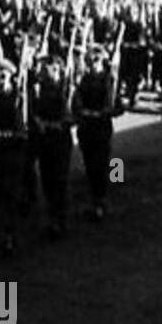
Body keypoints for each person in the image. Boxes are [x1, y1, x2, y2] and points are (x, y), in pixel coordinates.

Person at [0, 56, 27, 255]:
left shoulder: (19, 97)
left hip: (12, 151)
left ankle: (10, 233)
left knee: (11, 191)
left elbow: (23, 128)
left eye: (4, 73)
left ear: (10, 75)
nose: (0, 76)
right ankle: (2, 228)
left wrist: (4, 135)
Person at [30, 53, 73, 238]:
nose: (43, 72)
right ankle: (51, 217)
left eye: (48, 69)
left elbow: (73, 115)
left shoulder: (66, 90)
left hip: (60, 140)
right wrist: (37, 120)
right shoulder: (40, 90)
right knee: (47, 179)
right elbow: (31, 110)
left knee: (59, 180)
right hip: (44, 140)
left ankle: (60, 219)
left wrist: (63, 122)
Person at [72, 44, 116, 221]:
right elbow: (76, 101)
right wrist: (80, 111)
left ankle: (106, 192)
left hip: (102, 126)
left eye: (95, 60)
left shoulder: (109, 79)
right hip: (86, 127)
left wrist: (108, 110)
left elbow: (117, 105)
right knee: (90, 163)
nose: (92, 63)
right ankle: (96, 196)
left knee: (106, 160)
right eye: (89, 60)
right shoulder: (83, 79)